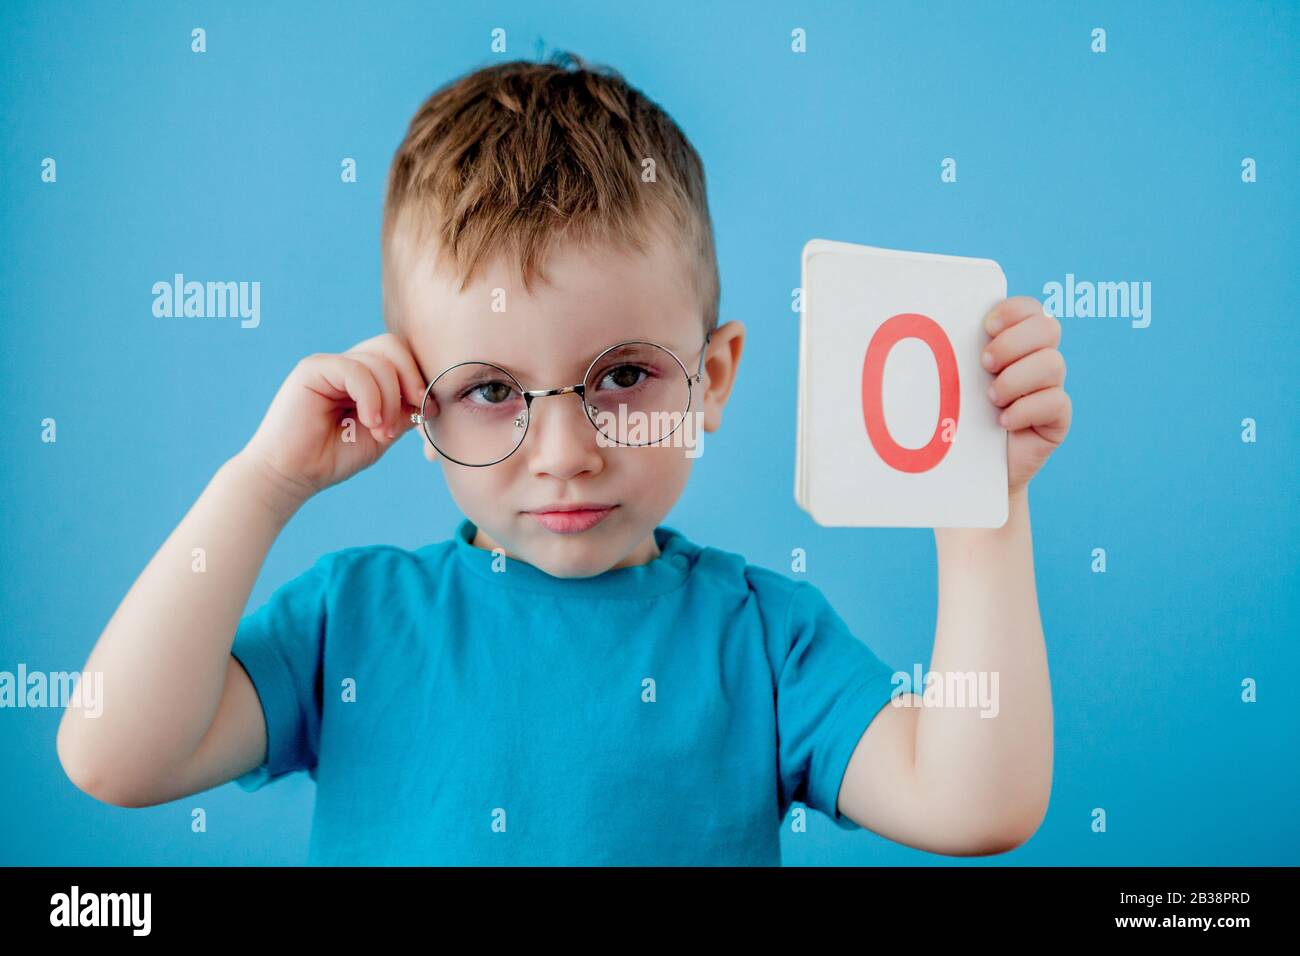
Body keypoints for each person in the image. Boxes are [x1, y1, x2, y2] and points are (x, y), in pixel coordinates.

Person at [56, 52, 1071, 865]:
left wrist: (981, 497)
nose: (564, 454)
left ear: (712, 377)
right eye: (491, 390)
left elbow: (973, 804)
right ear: (416, 396)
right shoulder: (352, 621)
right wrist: (263, 483)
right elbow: (113, 752)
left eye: (624, 375)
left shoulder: (764, 638)